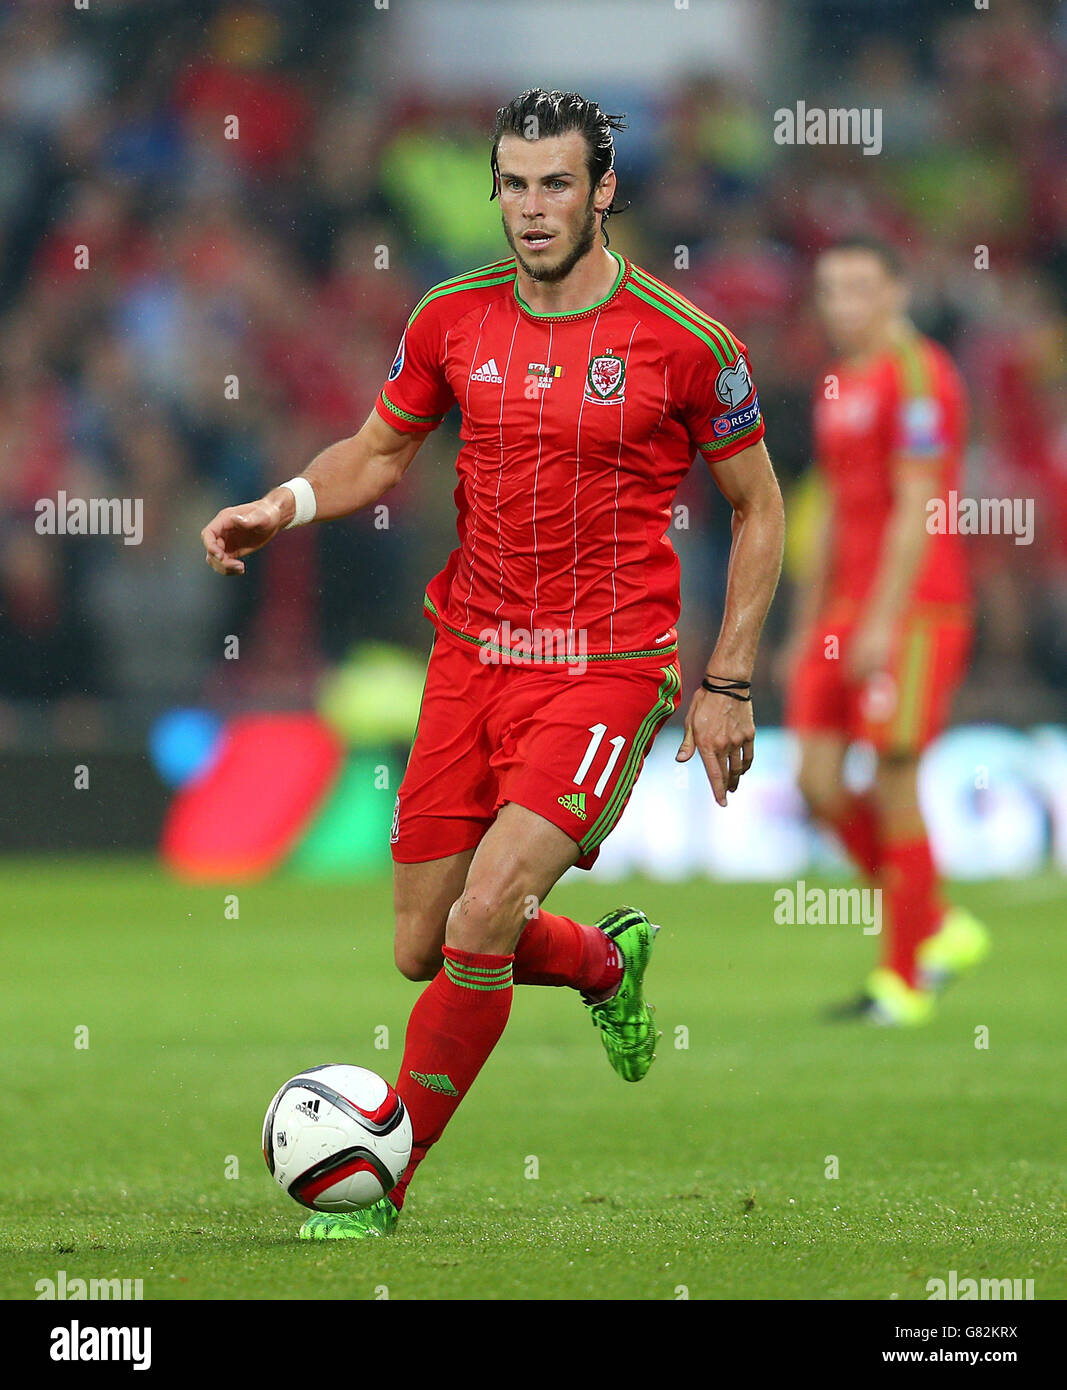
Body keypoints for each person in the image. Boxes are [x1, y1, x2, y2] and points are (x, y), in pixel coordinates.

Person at [201, 89, 784, 1236]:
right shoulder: (449, 318)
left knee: (485, 910)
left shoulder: (687, 344)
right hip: (471, 657)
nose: (531, 208)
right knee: (427, 945)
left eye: (555, 183)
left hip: (606, 668)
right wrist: (285, 503)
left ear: (602, 189)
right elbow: (377, 450)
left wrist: (725, 680)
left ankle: (379, 1184)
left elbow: (758, 509)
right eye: (513, 184)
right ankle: (601, 966)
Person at [782, 237, 989, 1027]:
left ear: (897, 291)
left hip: (913, 610)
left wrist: (878, 618)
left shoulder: (918, 376)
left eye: (860, 289)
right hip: (841, 611)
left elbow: (917, 503)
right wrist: (805, 620)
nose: (843, 305)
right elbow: (830, 502)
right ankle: (935, 922)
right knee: (817, 780)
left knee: (894, 778)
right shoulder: (838, 381)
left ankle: (901, 980)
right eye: (831, 290)